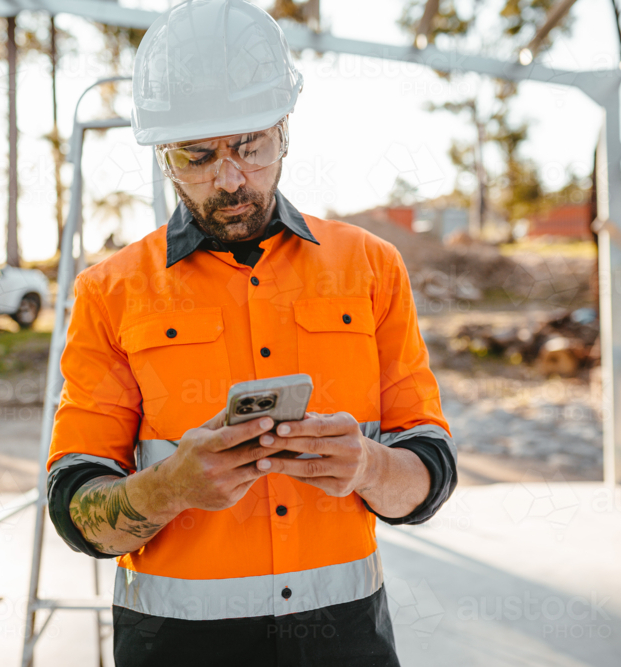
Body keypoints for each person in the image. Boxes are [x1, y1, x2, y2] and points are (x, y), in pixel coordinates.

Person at [46, 1, 457, 665]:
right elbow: (74, 506)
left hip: (345, 646)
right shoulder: (111, 291)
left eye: (251, 146)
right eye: (197, 155)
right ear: (163, 158)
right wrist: (170, 486)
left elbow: (431, 468)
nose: (230, 178)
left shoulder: (371, 268)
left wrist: (369, 465)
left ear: (285, 129)